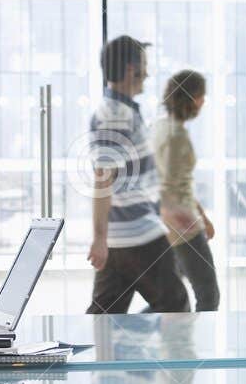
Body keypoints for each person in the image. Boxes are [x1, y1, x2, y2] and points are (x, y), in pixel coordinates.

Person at [86, 34, 190, 314]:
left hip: (125, 236)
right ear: (132, 69)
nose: (148, 72)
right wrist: (99, 238)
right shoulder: (114, 115)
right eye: (144, 64)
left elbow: (137, 179)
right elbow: (102, 179)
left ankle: (120, 350)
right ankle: (137, 348)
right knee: (176, 309)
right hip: (138, 235)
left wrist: (166, 209)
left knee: (104, 320)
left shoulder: (125, 112)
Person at [154, 68, 220, 313]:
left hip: (171, 225)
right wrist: (195, 224)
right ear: (191, 98)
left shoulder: (160, 128)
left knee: (172, 299)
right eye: (202, 96)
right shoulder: (175, 135)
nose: (203, 102)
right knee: (208, 294)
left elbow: (178, 184)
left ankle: (127, 332)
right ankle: (201, 349)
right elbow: (170, 188)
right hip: (183, 227)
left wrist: (203, 217)